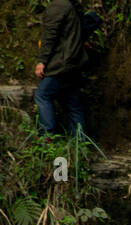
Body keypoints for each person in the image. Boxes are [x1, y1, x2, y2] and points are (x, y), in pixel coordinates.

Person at [34, 0, 88, 138]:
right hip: (76, 62)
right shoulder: (72, 5)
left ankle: (47, 136)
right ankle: (79, 145)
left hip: (63, 63)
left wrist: (42, 61)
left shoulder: (58, 6)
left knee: (42, 94)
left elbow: (49, 37)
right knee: (74, 104)